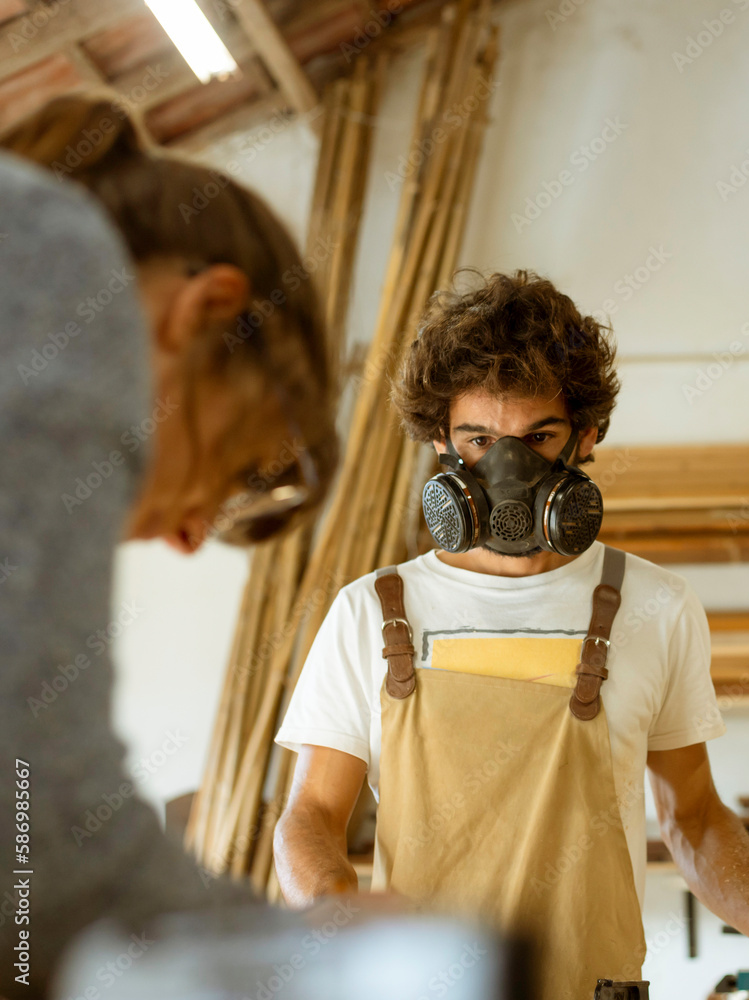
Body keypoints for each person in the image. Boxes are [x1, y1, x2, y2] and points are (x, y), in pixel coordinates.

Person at [273, 270, 749, 999]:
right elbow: (311, 816)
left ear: (584, 435)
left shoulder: (655, 606)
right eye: (480, 438)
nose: (508, 468)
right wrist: (334, 915)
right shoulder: (372, 611)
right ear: (440, 444)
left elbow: (697, 818)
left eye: (537, 437)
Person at [0, 92, 337, 999]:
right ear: (203, 312)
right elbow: (34, 845)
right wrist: (325, 959)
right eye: (229, 467)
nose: (190, 540)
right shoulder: (52, 259)